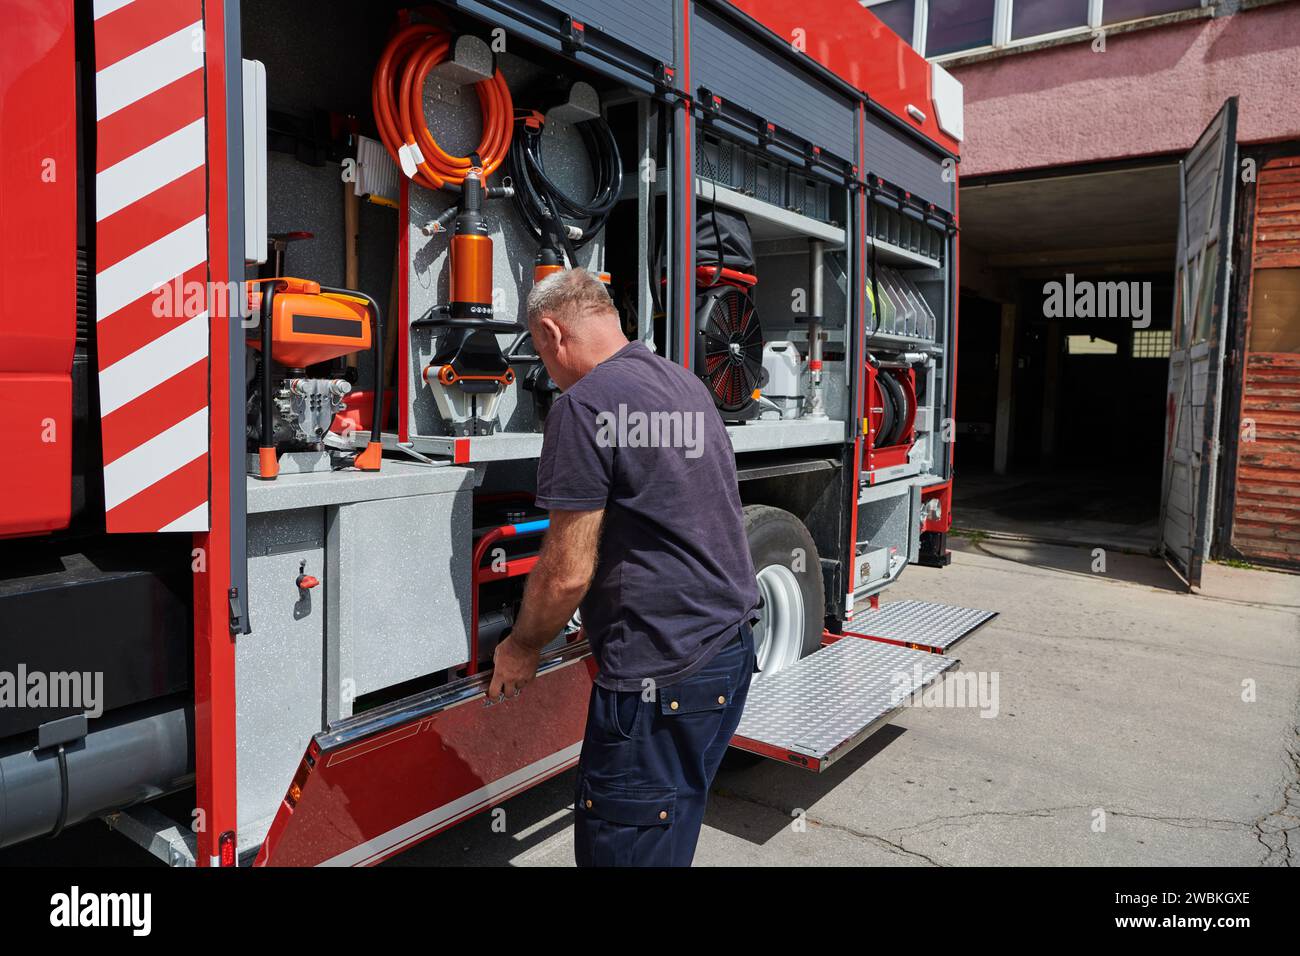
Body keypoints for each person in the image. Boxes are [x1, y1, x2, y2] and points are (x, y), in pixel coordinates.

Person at [487, 267, 759, 866]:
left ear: (554, 333)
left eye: (540, 351)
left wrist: (523, 645)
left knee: (626, 850)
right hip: (725, 652)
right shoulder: (684, 384)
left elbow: (566, 573)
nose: (546, 370)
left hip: (660, 673)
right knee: (669, 833)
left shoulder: (583, 407)